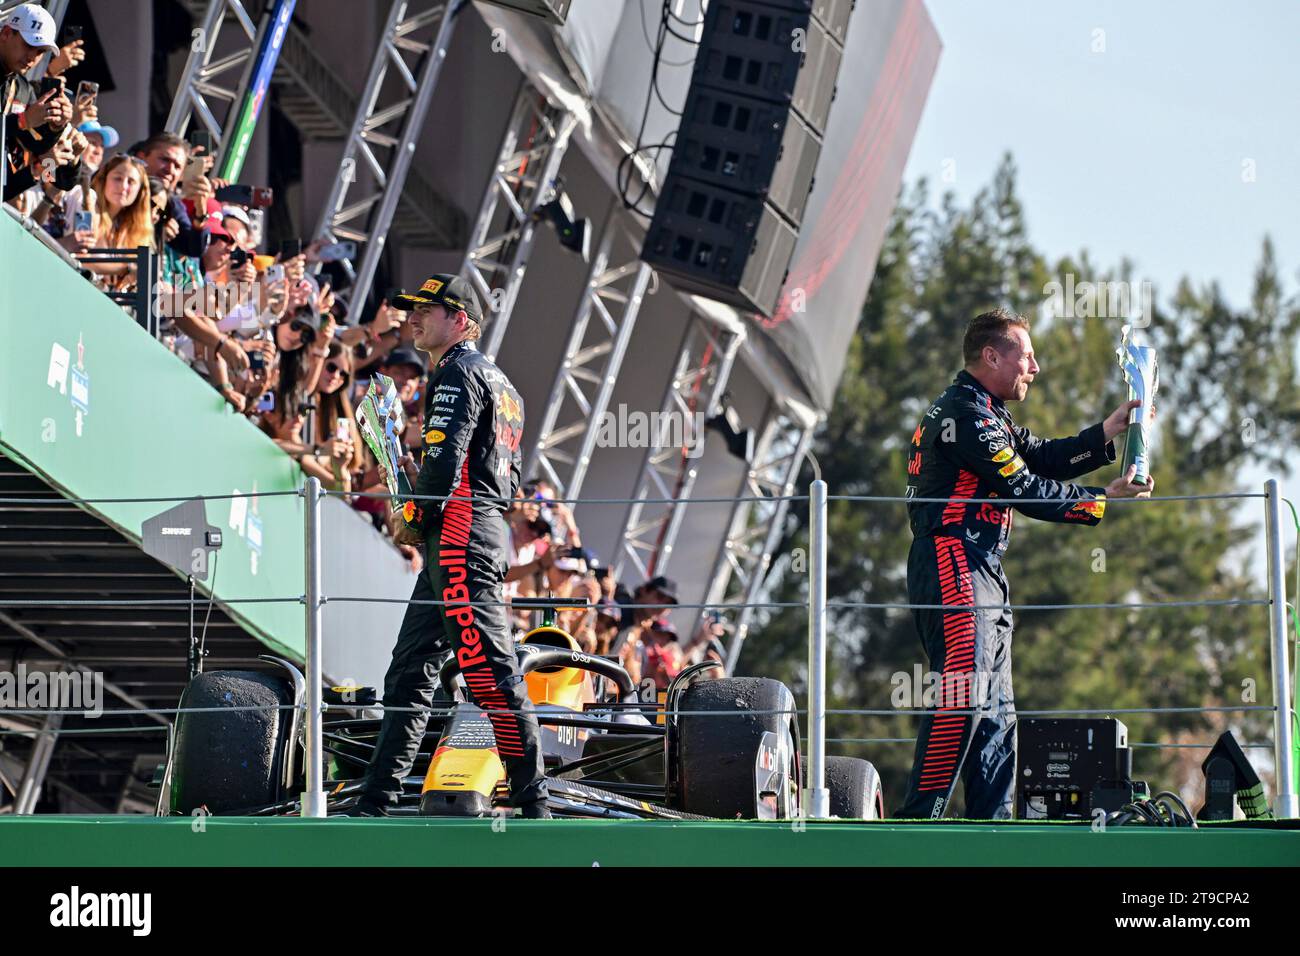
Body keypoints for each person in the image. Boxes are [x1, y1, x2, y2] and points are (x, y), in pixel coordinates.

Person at [896, 308, 1153, 820]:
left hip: (982, 568)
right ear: (991, 355)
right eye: (1026, 355)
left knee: (997, 712)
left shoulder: (986, 410)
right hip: (953, 558)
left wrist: (1107, 431)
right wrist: (1102, 498)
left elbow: (1041, 457)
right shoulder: (965, 415)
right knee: (965, 689)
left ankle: (990, 830)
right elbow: (1024, 488)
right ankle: (918, 820)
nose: (1035, 367)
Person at [354, 273, 549, 818]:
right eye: (412, 309)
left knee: (489, 673)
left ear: (461, 320)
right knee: (411, 669)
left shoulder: (457, 372)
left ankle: (535, 803)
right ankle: (375, 802)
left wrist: (413, 514)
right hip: (472, 530)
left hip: (460, 532)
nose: (413, 318)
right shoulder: (501, 382)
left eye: (427, 310)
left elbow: (444, 466)